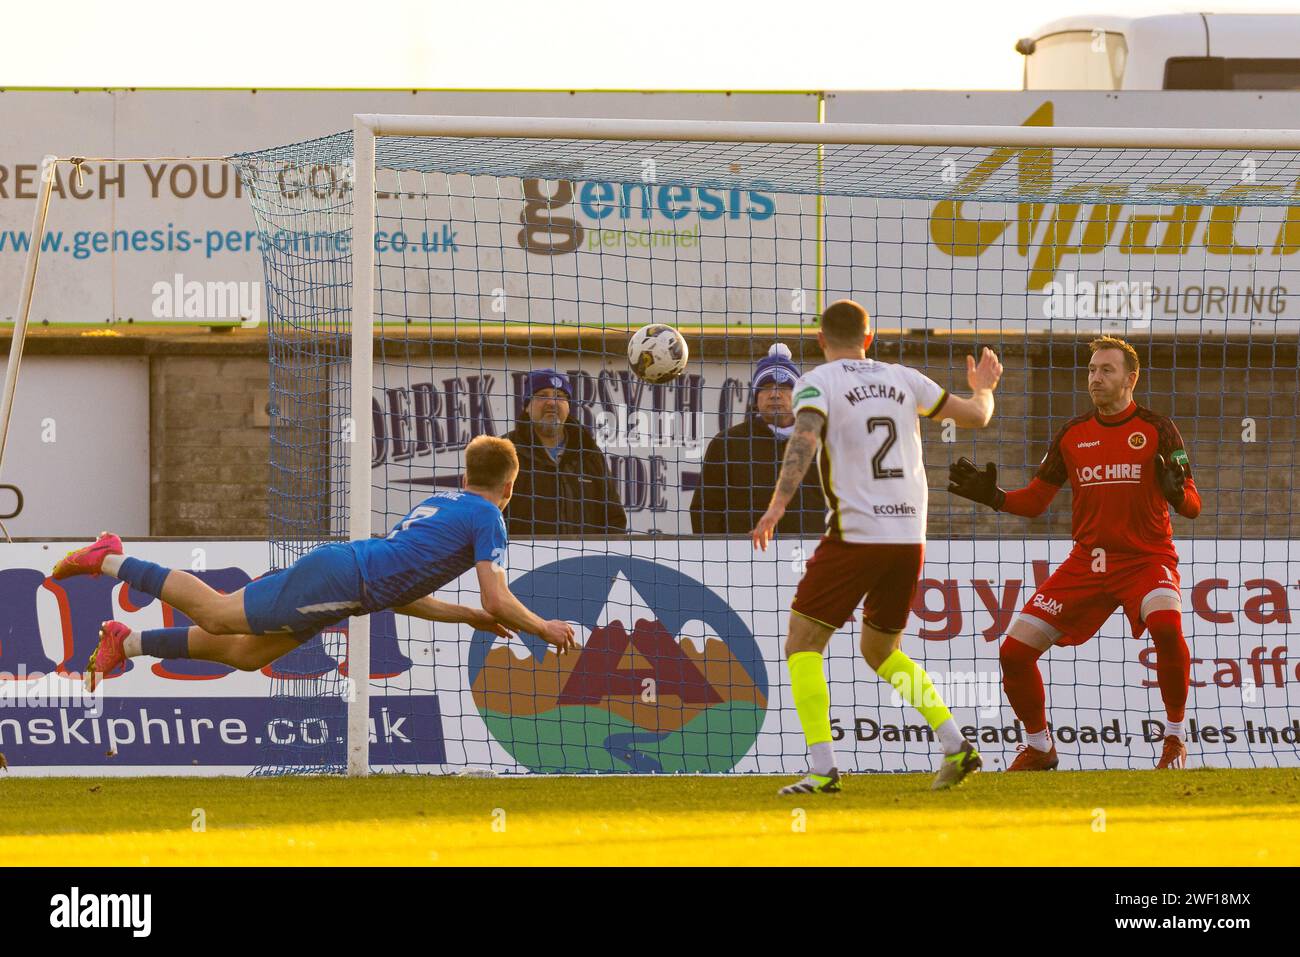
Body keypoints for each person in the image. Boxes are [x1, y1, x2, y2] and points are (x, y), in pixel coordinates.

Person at [54, 435, 576, 690]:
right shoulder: (490, 517)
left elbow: (404, 595)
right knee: (216, 614)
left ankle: (131, 642)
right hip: (339, 580)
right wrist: (540, 627)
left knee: (247, 656)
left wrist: (472, 618)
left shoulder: (443, 506)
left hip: (346, 583)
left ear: (465, 476)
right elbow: (497, 595)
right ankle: (109, 559)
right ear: (511, 486)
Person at [752, 299, 1003, 793]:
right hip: (909, 538)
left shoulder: (818, 382)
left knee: (802, 643)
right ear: (870, 338)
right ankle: (956, 744)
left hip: (857, 535)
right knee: (881, 649)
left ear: (821, 341)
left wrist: (777, 506)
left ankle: (823, 769)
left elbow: (802, 440)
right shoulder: (905, 378)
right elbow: (977, 416)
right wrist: (985, 388)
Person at [948, 336, 1201, 771]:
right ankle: (1041, 747)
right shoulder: (1072, 434)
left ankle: (1175, 738)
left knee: (1165, 624)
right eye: (1091, 370)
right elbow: (1035, 502)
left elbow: (1194, 505)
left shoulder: (1158, 428)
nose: (1096, 378)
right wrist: (995, 497)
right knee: (1013, 652)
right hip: (1088, 563)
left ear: (1131, 378)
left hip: (1146, 559)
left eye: (1107, 370)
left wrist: (1177, 496)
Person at [690, 343, 825, 535]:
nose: (775, 395)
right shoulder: (728, 443)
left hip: (811, 555)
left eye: (783, 388)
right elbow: (705, 509)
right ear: (756, 397)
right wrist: (719, 553)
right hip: (744, 557)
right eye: (767, 387)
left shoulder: (821, 441)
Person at [503, 369, 627, 537]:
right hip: (520, 561)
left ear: (568, 407)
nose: (552, 403)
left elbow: (614, 519)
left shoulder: (589, 453)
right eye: (542, 395)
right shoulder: (503, 451)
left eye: (560, 396)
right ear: (527, 406)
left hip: (582, 561)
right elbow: (487, 513)